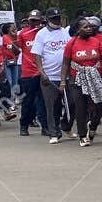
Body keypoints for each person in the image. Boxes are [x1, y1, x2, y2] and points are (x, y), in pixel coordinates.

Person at [62, 16, 102, 146]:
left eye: (90, 26)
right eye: (85, 27)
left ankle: (93, 124)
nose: (89, 28)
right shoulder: (71, 43)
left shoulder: (97, 41)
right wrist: (63, 81)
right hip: (76, 79)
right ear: (78, 30)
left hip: (95, 77)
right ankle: (82, 135)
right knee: (80, 107)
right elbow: (65, 64)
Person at [32, 9, 71, 144]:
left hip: (66, 76)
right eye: (54, 18)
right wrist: (42, 73)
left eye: (58, 18)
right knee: (51, 106)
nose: (57, 20)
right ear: (48, 19)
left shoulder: (65, 32)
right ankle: (53, 132)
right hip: (49, 76)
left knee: (71, 103)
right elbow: (36, 55)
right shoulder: (41, 34)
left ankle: (65, 124)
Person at [15, 12, 49, 137]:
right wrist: (12, 37)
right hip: (28, 72)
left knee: (43, 100)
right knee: (28, 100)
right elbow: (15, 49)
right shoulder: (24, 33)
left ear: (41, 20)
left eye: (36, 20)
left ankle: (45, 126)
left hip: (44, 72)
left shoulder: (45, 33)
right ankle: (24, 125)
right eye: (31, 20)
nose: (33, 23)